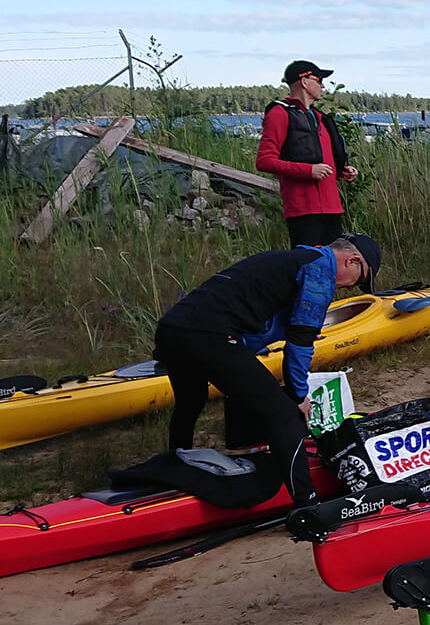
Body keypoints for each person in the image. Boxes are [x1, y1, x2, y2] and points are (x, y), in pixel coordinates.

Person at [152, 234, 381, 507]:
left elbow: (258, 328)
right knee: (285, 413)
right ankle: (308, 506)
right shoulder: (321, 273)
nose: (352, 287)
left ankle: (176, 467)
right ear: (352, 260)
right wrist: (298, 395)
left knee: (192, 401)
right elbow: (298, 347)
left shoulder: (293, 260)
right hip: (209, 335)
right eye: (360, 280)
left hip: (172, 330)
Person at [257, 60, 359, 247]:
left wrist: (341, 171)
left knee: (333, 262)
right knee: (309, 262)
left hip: (332, 207)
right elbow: (264, 161)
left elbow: (320, 158)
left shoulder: (320, 118)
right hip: (303, 210)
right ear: (304, 81)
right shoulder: (280, 114)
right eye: (319, 80)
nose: (322, 86)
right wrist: (308, 171)